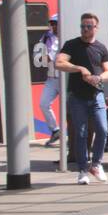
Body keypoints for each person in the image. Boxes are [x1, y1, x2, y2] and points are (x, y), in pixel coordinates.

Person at [53, 13, 108, 185]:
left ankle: (97, 164)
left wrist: (99, 78)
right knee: (80, 134)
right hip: (77, 96)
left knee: (102, 129)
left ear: (96, 28)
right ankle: (82, 170)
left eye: (88, 26)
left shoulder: (101, 48)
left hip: (96, 95)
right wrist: (79, 68)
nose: (85, 29)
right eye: (82, 26)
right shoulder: (72, 45)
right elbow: (59, 63)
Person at [37, 14, 61, 144]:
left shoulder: (68, 36)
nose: (53, 26)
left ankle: (76, 136)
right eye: (52, 23)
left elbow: (49, 57)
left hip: (65, 78)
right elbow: (40, 54)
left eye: (56, 23)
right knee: (44, 104)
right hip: (52, 78)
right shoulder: (47, 36)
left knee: (71, 108)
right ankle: (55, 130)